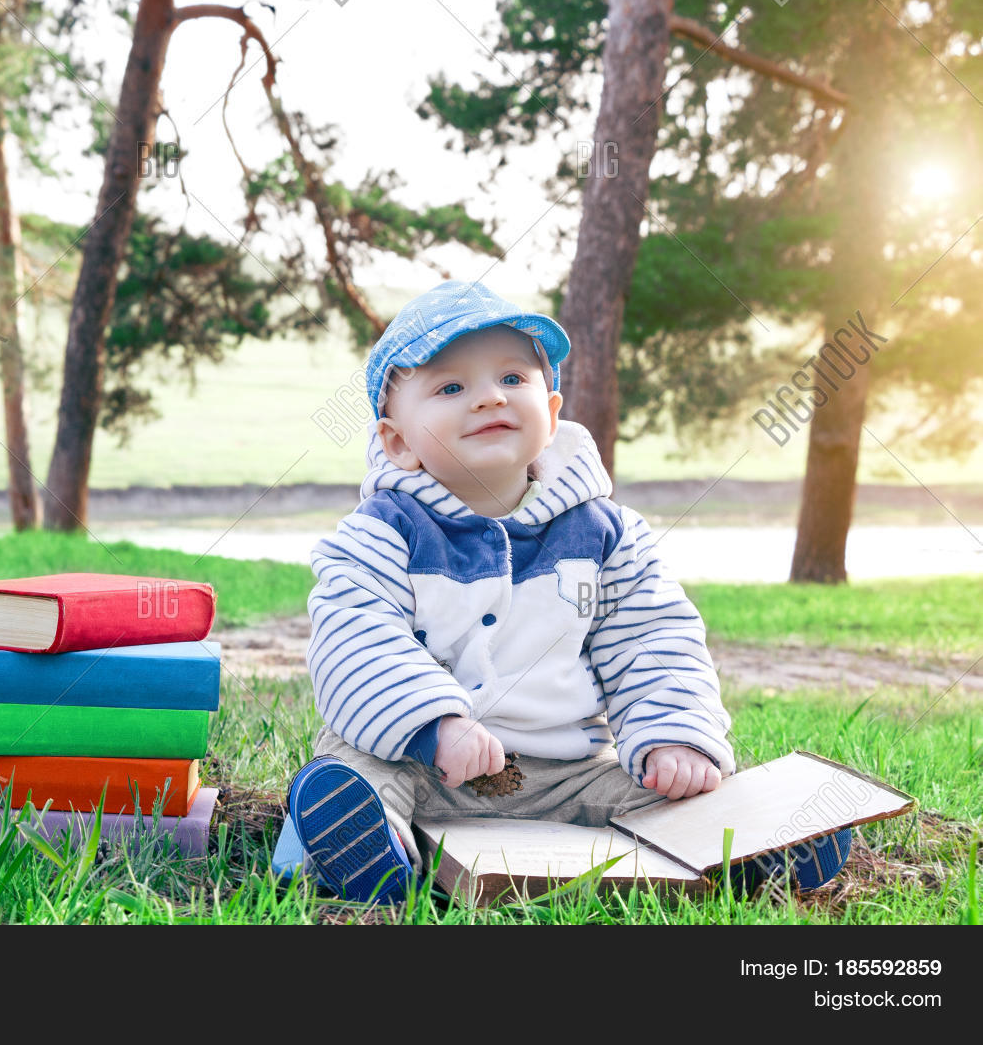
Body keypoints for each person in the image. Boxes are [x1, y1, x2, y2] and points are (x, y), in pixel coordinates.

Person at [288, 279, 846, 904]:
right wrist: (435, 725)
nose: (489, 398)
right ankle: (373, 855)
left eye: (513, 379)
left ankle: (746, 850)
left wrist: (672, 733)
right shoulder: (382, 533)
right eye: (451, 387)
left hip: (563, 774)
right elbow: (356, 636)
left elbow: (652, 636)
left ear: (551, 415)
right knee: (360, 775)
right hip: (415, 760)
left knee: (667, 799)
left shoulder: (604, 532)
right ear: (398, 442)